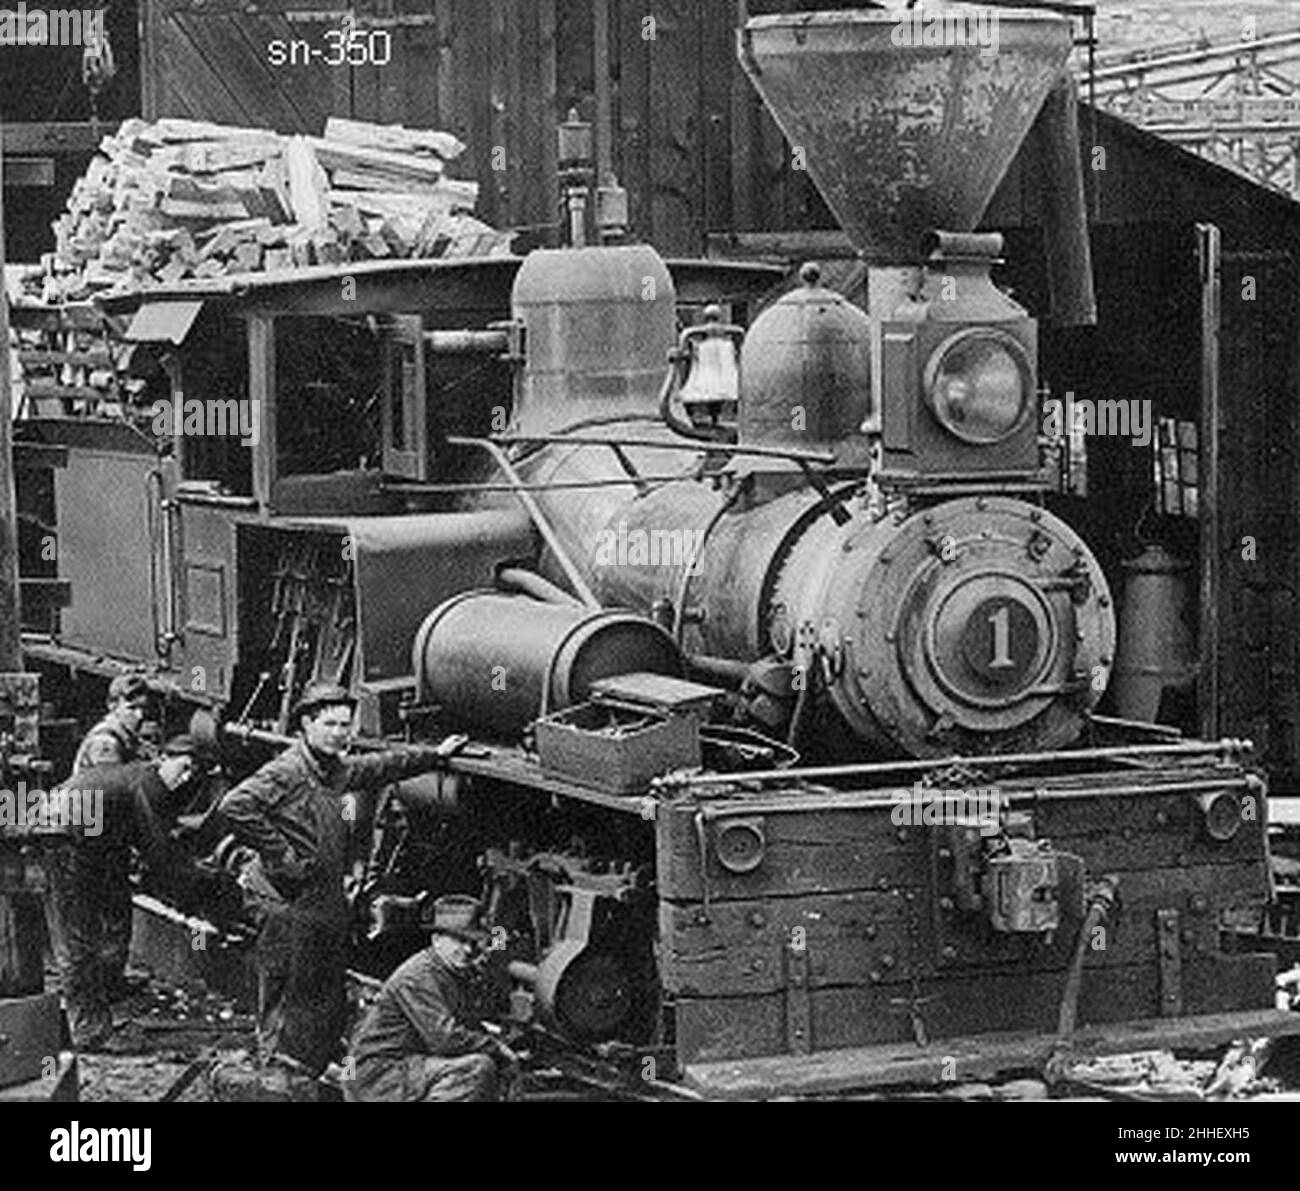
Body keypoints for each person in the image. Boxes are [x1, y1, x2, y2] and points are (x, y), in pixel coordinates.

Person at [218, 681, 466, 1077]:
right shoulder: (287, 771)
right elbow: (235, 806)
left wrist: (433, 756)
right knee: (285, 1001)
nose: (340, 733)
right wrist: (281, 855)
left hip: (317, 900)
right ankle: (273, 1082)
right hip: (284, 903)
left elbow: (377, 768)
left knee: (318, 994)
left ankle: (304, 1073)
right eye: (330, 724)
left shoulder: (331, 769)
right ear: (306, 724)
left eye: (345, 725)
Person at [44, 735, 208, 1049]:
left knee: (100, 925)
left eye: (193, 773)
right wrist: (194, 894)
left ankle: (106, 992)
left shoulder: (141, 777)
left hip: (84, 839)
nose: (186, 777)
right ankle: (89, 1032)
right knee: (78, 942)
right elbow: (158, 853)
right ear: (163, 758)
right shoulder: (145, 784)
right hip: (62, 840)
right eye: (184, 767)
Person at [346, 895, 519, 1102]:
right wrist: (496, 1048)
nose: (468, 950)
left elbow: (466, 1023)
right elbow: (445, 1039)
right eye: (460, 940)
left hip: (405, 1066)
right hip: (378, 1075)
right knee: (476, 1069)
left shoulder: (451, 972)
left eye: (473, 942)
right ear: (436, 939)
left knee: (489, 1068)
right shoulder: (419, 976)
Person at [70, 673, 153, 774]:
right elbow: (114, 785)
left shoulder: (126, 734)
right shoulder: (105, 741)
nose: (140, 715)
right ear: (113, 706)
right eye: (132, 708)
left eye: (144, 708)